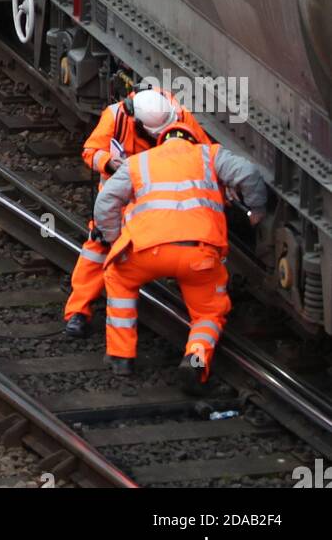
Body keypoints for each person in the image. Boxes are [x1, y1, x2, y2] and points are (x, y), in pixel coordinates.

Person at [93, 120, 267, 388]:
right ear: (193, 139)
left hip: (145, 252)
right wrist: (256, 210)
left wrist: (114, 238)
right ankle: (194, 362)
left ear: (161, 139)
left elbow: (106, 201)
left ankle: (121, 357)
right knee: (209, 314)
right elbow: (248, 174)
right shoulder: (209, 155)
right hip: (198, 256)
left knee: (118, 279)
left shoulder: (140, 161)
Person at [64, 89, 210, 338]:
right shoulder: (116, 116)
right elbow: (91, 150)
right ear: (138, 123)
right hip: (119, 202)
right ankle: (78, 311)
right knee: (98, 246)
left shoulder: (180, 116)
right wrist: (108, 162)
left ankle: (193, 316)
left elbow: (205, 154)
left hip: (158, 202)